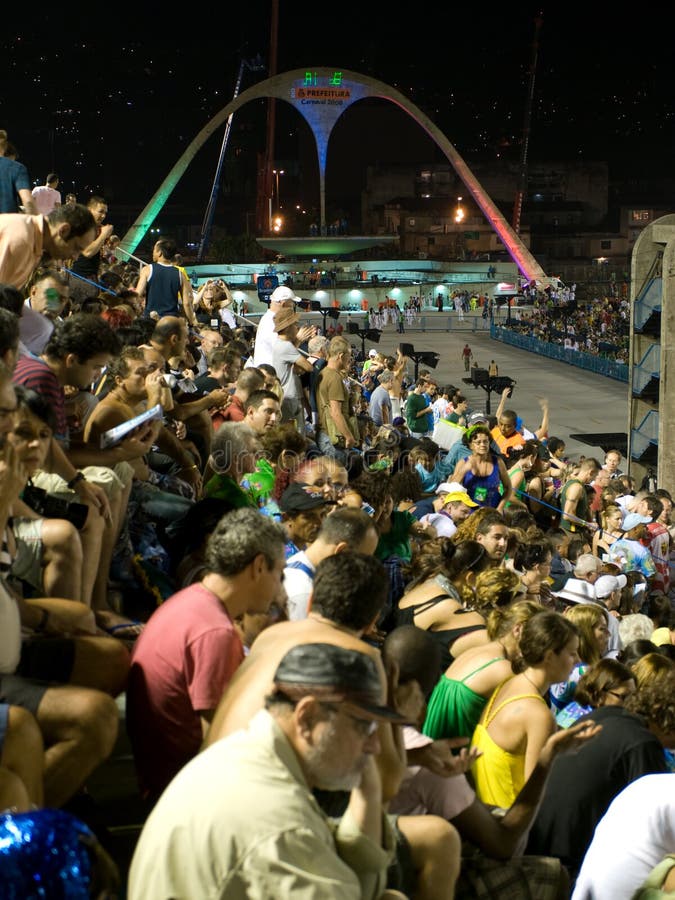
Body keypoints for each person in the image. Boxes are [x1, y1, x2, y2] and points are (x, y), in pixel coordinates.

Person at [129, 640, 450, 900]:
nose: (375, 746)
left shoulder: (248, 756)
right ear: (307, 717)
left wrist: (368, 788)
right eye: (363, 726)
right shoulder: (281, 823)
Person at [126, 507, 287, 802]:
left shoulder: (190, 602)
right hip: (183, 792)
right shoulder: (216, 632)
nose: (280, 587)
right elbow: (219, 740)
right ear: (258, 566)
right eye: (280, 573)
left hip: (161, 777)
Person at [527, 668, 675, 881]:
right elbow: (654, 828)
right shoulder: (642, 743)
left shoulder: (603, 716)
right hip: (568, 867)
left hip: (539, 845)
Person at [471, 610, 581, 809]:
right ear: (549, 656)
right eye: (572, 653)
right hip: (506, 819)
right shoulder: (538, 715)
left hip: (486, 810)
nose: (578, 660)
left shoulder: (509, 684)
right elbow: (535, 796)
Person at [423, 597, 541, 741]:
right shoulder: (503, 670)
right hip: (456, 749)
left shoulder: (473, 653)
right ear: (518, 630)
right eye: (538, 639)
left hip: (433, 743)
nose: (539, 648)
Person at [284, 506, 379, 620]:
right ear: (342, 551)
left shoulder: (310, 576)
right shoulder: (302, 593)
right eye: (363, 560)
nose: (363, 570)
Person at [0, 203, 97, 290]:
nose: (75, 257)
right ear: (64, 230)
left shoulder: (33, 239)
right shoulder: (22, 239)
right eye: (76, 248)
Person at [134, 238, 197, 325]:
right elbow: (186, 303)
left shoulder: (147, 270)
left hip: (151, 321)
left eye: (154, 249)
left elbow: (137, 295)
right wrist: (191, 322)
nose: (152, 252)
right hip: (171, 321)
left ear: (160, 253)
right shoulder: (180, 274)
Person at [451, 423, 513, 511]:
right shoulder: (463, 463)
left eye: (485, 441)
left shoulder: (498, 462)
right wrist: (464, 470)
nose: (482, 445)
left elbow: (508, 487)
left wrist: (500, 508)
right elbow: (451, 488)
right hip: (470, 511)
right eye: (478, 442)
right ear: (470, 445)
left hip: (493, 510)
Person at [0, 130, 36, 215]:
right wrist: (36, 220)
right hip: (8, 221)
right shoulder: (16, 168)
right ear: (5, 147)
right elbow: (28, 202)